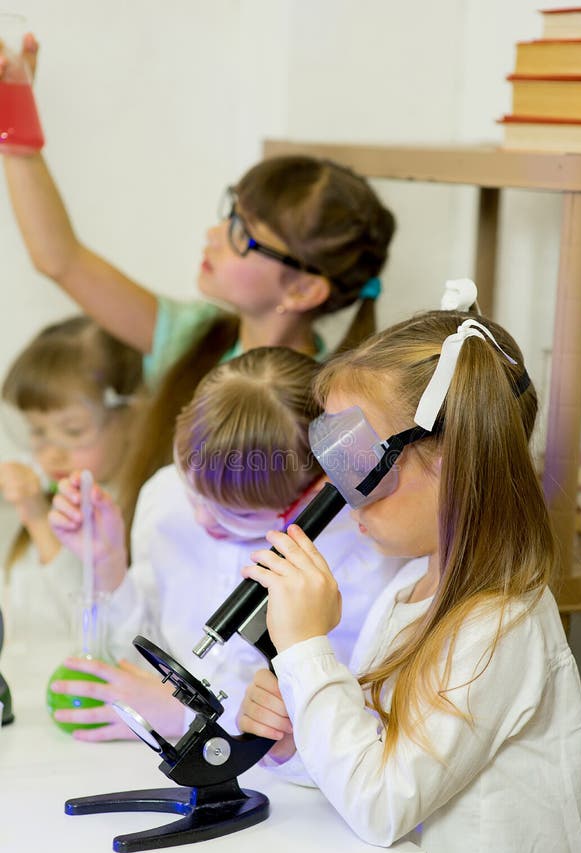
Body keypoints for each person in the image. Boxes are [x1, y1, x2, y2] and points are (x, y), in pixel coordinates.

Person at [236, 312, 581, 853]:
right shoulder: (407, 592)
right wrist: (299, 736)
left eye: (362, 465)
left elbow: (382, 806)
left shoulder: (499, 623)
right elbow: (370, 763)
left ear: (452, 459)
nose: (345, 494)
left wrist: (305, 651)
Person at [0, 35, 396, 536]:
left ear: (302, 291)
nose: (213, 236)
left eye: (242, 234)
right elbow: (58, 259)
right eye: (229, 213)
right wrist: (14, 116)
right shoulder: (193, 336)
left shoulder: (335, 410)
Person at [47, 347, 401, 740]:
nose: (202, 519)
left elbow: (351, 722)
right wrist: (109, 566)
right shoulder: (165, 497)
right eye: (193, 492)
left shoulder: (364, 552)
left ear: (316, 491)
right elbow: (146, 660)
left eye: (240, 515)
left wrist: (187, 719)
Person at [0, 316, 142, 643]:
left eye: (72, 431)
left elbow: (88, 627)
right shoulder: (48, 495)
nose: (52, 453)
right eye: (37, 431)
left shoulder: (128, 515)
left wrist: (37, 518)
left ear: (131, 418)